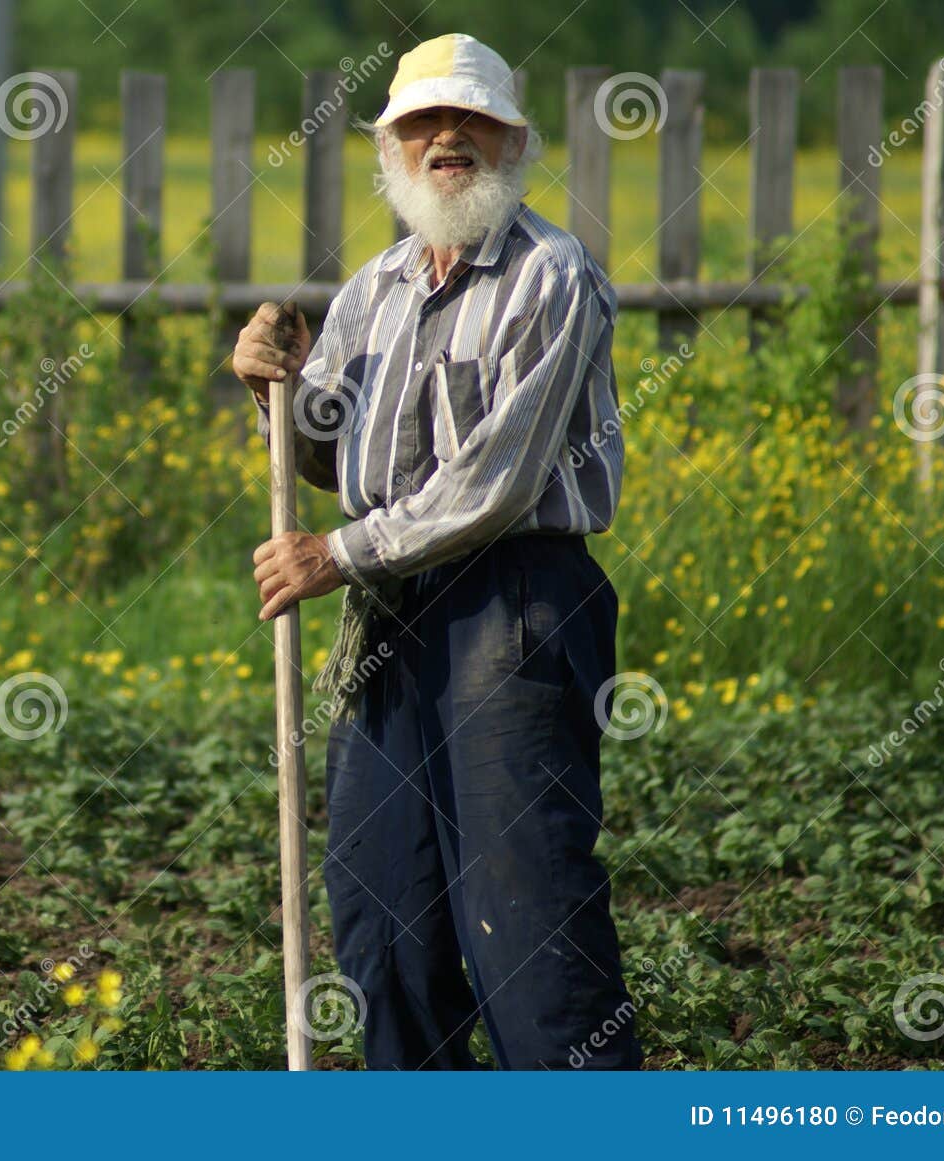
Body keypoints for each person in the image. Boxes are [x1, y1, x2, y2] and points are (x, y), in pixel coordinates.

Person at [233, 32, 641, 1070]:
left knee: (526, 922)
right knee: (385, 922)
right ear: (392, 150)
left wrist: (335, 554)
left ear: (512, 143)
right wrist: (267, 388)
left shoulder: (554, 278)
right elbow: (328, 457)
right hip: (390, 616)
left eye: (470, 123)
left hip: (512, 609)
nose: (444, 139)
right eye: (421, 123)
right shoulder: (373, 290)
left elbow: (496, 483)